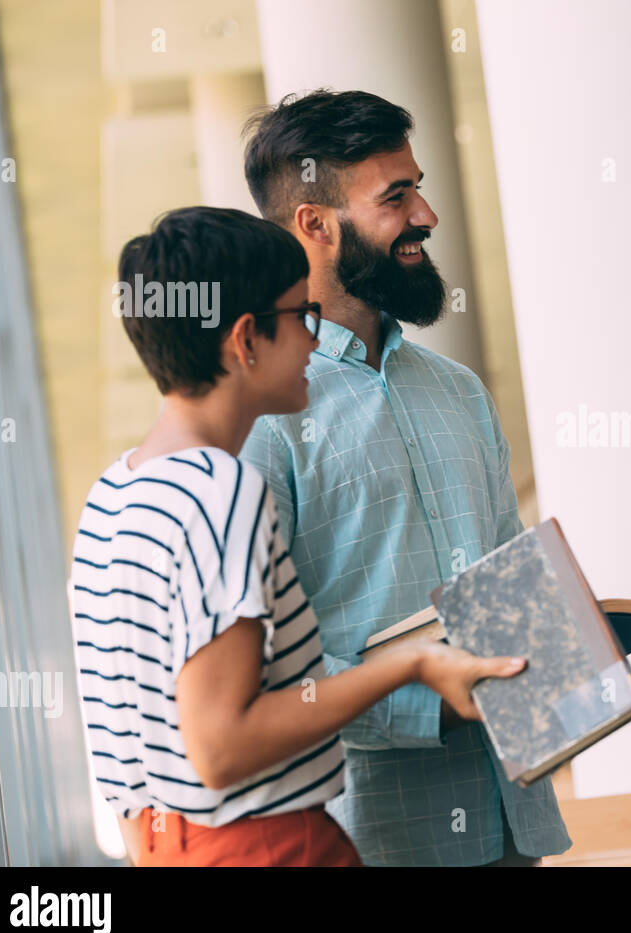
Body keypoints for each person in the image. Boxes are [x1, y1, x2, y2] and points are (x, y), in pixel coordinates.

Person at [70, 206, 525, 866]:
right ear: (246, 338)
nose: (316, 342)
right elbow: (222, 745)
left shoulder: (115, 495)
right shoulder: (220, 491)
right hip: (268, 848)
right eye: (302, 318)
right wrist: (411, 662)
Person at [240, 90, 570, 866]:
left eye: (417, 187)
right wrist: (429, 698)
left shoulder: (458, 389)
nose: (425, 213)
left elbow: (512, 585)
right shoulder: (263, 421)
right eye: (396, 197)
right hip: (380, 839)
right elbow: (272, 669)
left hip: (516, 818)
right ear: (315, 225)